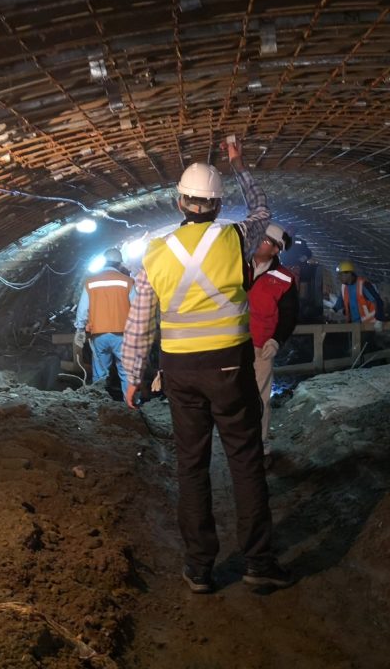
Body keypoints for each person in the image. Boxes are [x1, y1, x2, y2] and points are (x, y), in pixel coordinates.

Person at [121, 136, 292, 594]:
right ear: (218, 206)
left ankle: (199, 568)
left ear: (180, 201)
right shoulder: (237, 237)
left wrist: (133, 378)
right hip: (229, 368)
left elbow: (140, 323)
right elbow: (262, 210)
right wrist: (239, 165)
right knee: (245, 461)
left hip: (179, 372)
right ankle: (258, 562)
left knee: (191, 465)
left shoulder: (153, 253)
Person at [248, 223, 298, 458]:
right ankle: (238, 446)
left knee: (259, 399)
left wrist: (277, 340)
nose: (259, 241)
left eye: (265, 240)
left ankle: (260, 446)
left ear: (276, 249)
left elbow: (289, 315)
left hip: (260, 348)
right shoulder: (236, 264)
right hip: (230, 345)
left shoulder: (285, 279)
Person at [75, 247, 135, 397]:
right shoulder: (127, 281)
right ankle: (132, 406)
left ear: (104, 263)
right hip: (123, 334)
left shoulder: (91, 282)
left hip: (99, 334)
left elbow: (82, 309)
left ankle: (99, 404)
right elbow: (137, 308)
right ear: (120, 264)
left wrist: (80, 329)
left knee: (100, 372)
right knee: (127, 372)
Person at [331, 260, 385, 328]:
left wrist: (380, 319)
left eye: (341, 275)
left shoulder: (363, 285)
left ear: (349, 274)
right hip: (352, 324)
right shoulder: (344, 286)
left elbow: (377, 300)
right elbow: (341, 300)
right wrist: (333, 310)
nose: (339, 277)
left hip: (367, 325)